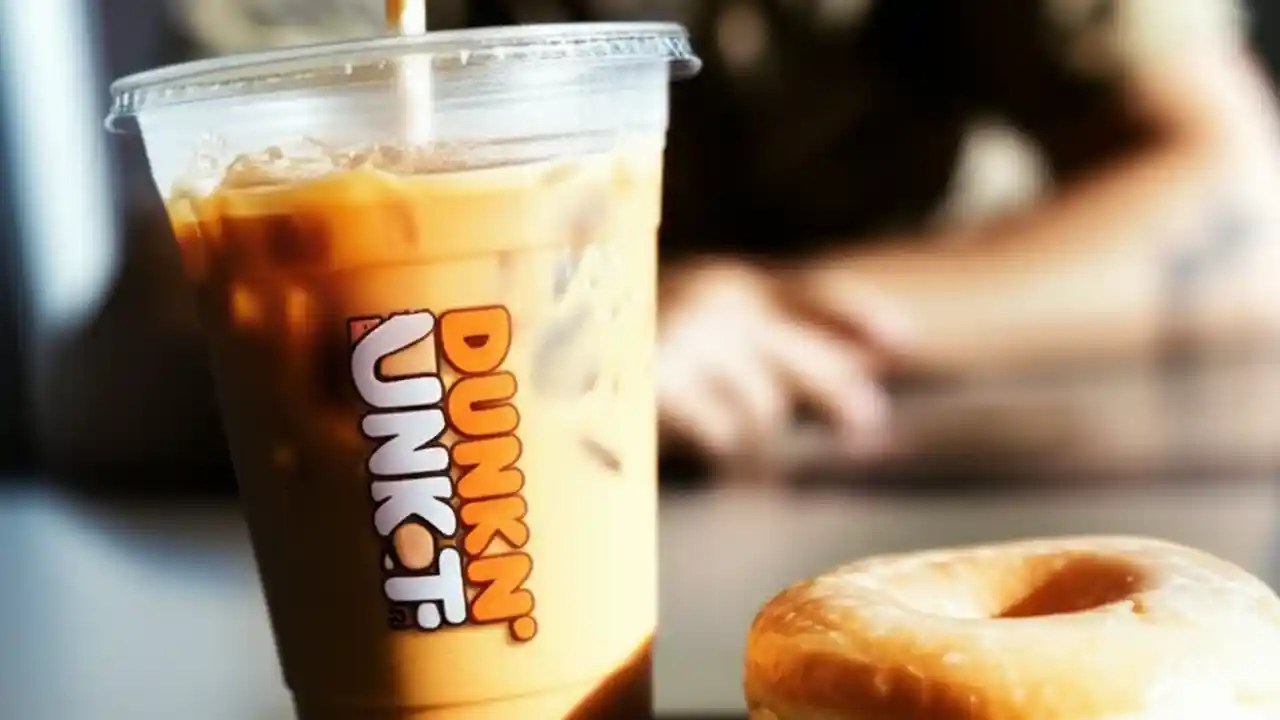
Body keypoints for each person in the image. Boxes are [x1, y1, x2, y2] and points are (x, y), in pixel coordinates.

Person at [178, 0, 1280, 461]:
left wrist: (770, 314)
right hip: (471, 478)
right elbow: (172, 301)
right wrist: (546, 347)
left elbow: (1242, 204)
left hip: (955, 440)